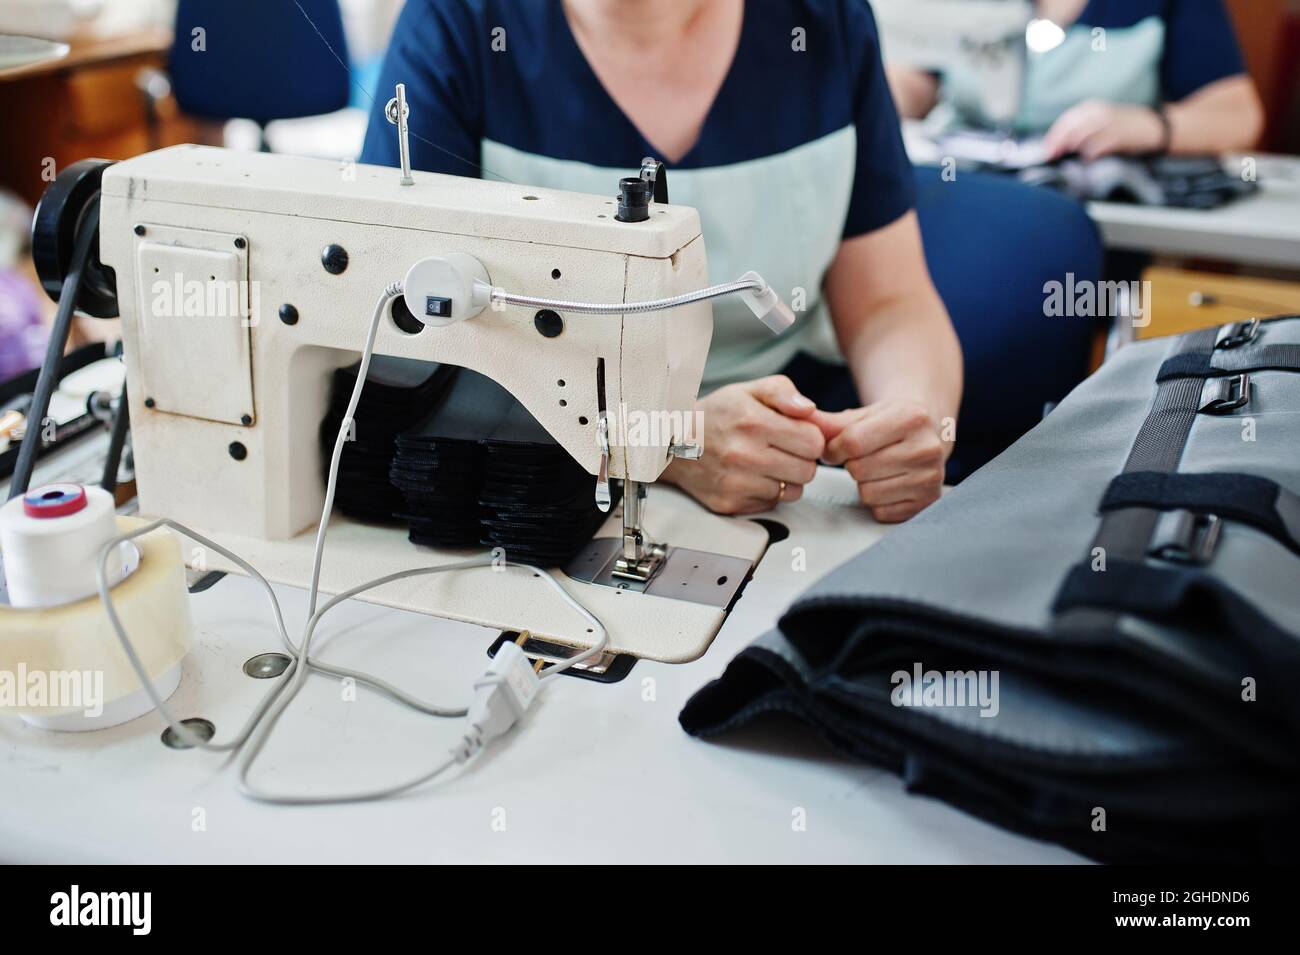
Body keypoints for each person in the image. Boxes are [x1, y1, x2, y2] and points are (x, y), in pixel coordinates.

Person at [361, 0, 962, 522]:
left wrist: (912, 420)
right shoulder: (457, 26)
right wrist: (668, 440)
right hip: (540, 452)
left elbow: (891, 303)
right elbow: (413, 347)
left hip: (794, 456)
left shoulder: (827, 23)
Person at [887, 0, 1264, 160]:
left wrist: (1150, 127)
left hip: (1102, 239)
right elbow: (916, 80)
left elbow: (1237, 115)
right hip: (969, 197)